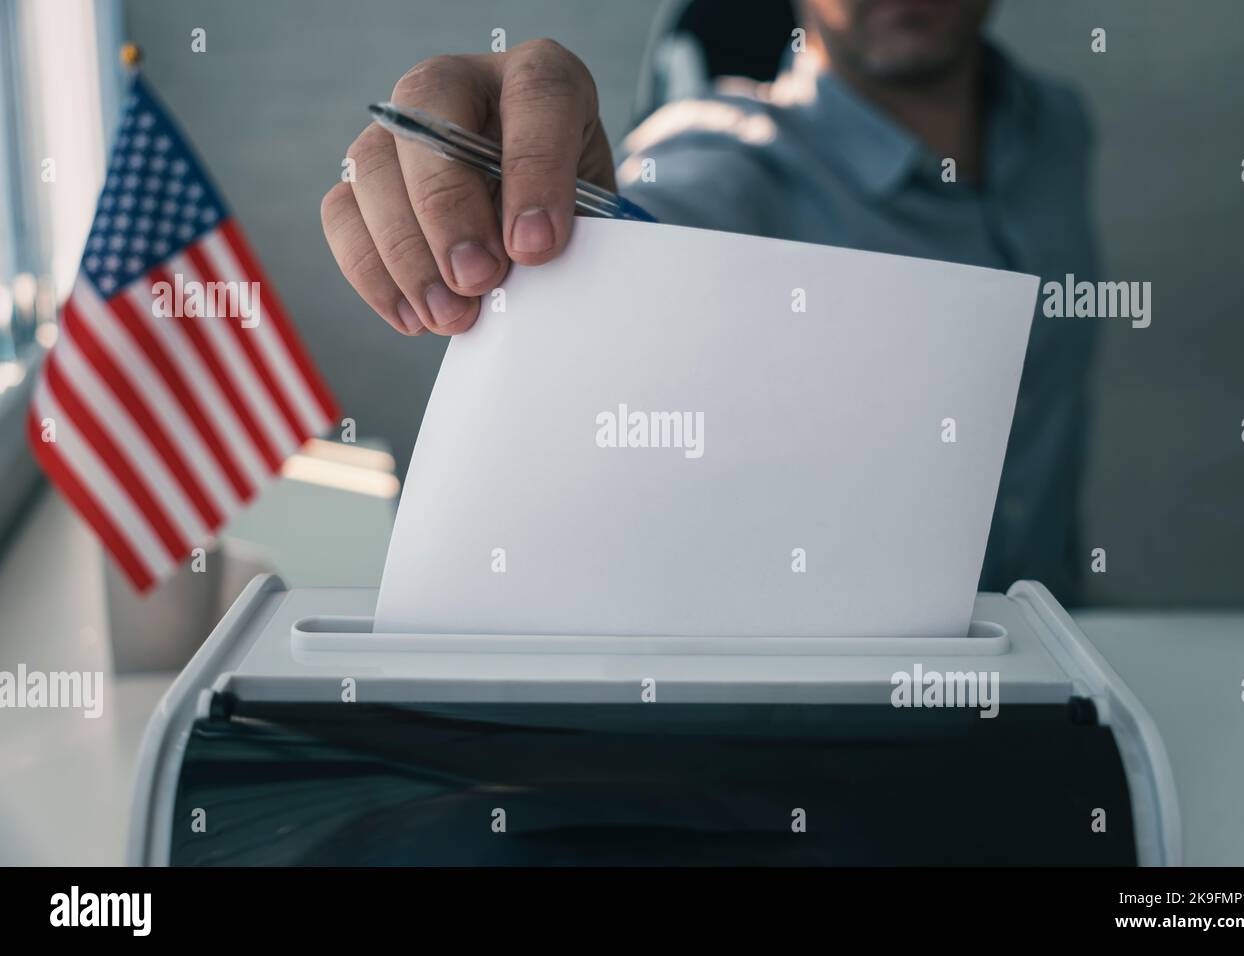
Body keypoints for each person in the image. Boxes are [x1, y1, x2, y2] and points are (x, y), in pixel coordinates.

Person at [320, 0, 1100, 603]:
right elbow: (651, 229)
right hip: (867, 713)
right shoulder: (724, 154)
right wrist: (568, 221)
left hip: (1078, 654)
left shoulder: (1056, 123)